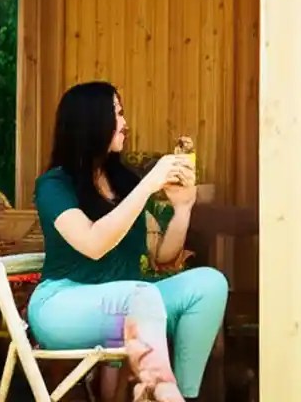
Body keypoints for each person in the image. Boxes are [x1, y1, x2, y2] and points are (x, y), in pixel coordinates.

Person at [27, 82, 228, 402]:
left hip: (129, 297)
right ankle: (165, 396)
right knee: (140, 294)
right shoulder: (54, 185)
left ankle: (183, 394)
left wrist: (183, 207)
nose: (125, 123)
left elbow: (163, 256)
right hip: (64, 305)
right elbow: (93, 244)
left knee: (209, 284)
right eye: (117, 113)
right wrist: (148, 185)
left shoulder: (122, 181)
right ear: (93, 122)